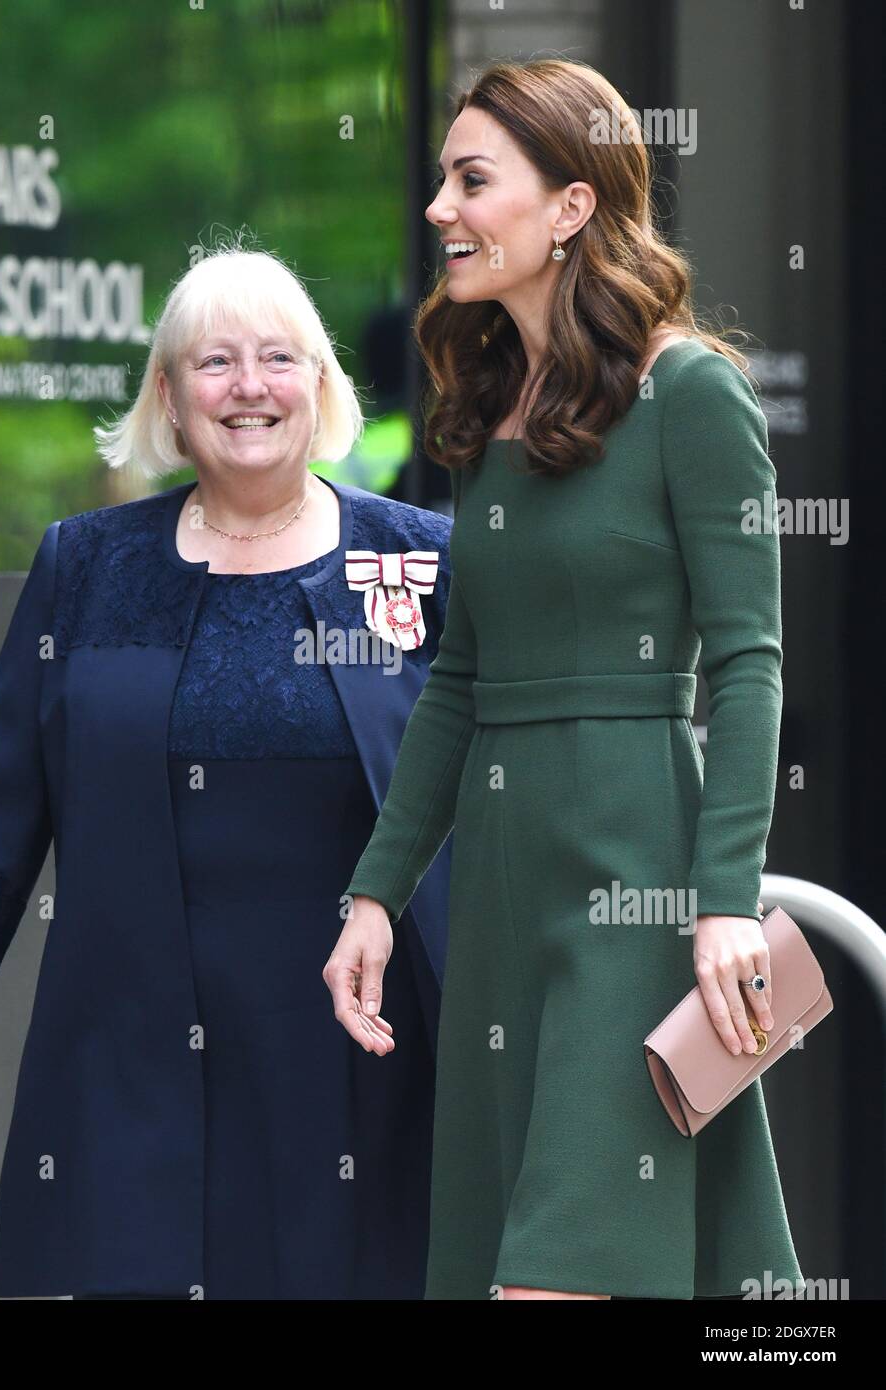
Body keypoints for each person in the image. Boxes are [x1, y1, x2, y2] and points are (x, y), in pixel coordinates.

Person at [0, 242, 454, 1300]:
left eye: (278, 359)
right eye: (213, 362)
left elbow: (482, 779)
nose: (247, 387)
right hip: (128, 1033)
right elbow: (2, 789)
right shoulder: (87, 564)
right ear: (169, 398)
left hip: (352, 1041)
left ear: (319, 387)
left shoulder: (415, 558)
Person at [328, 58, 805, 1301]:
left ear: (571, 207)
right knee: (507, 1256)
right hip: (496, 886)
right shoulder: (486, 406)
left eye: (471, 179)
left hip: (631, 883)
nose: (438, 207)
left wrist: (723, 900)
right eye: (440, 179)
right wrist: (375, 894)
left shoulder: (687, 392)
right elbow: (454, 682)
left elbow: (747, 664)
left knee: (561, 1265)